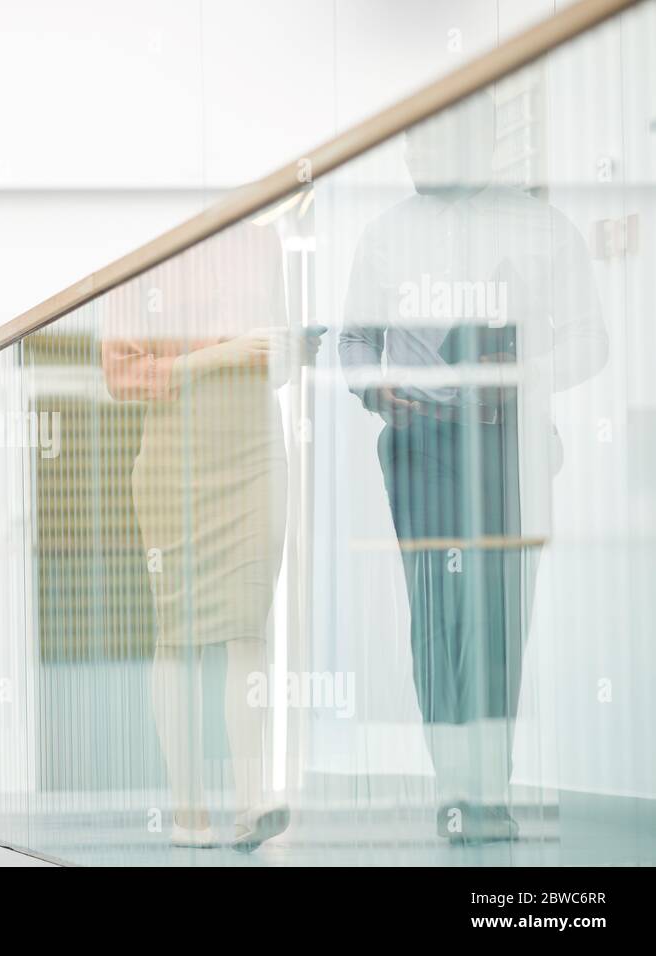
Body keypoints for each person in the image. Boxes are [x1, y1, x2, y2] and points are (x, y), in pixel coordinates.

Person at [338, 91, 607, 843]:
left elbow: (592, 339)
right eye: (410, 143)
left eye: (431, 142)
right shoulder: (384, 236)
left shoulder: (540, 228)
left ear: (481, 141)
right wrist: (374, 386)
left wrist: (528, 371)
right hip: (420, 445)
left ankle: (491, 790)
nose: (414, 155)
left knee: (498, 621)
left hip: (508, 445)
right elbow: (353, 343)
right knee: (437, 618)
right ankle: (454, 790)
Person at [102, 219, 314, 852]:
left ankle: (252, 799)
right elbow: (122, 375)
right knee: (180, 630)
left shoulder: (261, 242)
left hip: (253, 443)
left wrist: (288, 351)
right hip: (176, 451)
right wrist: (224, 352)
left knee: (249, 619)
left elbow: (272, 362)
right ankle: (188, 808)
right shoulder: (140, 248)